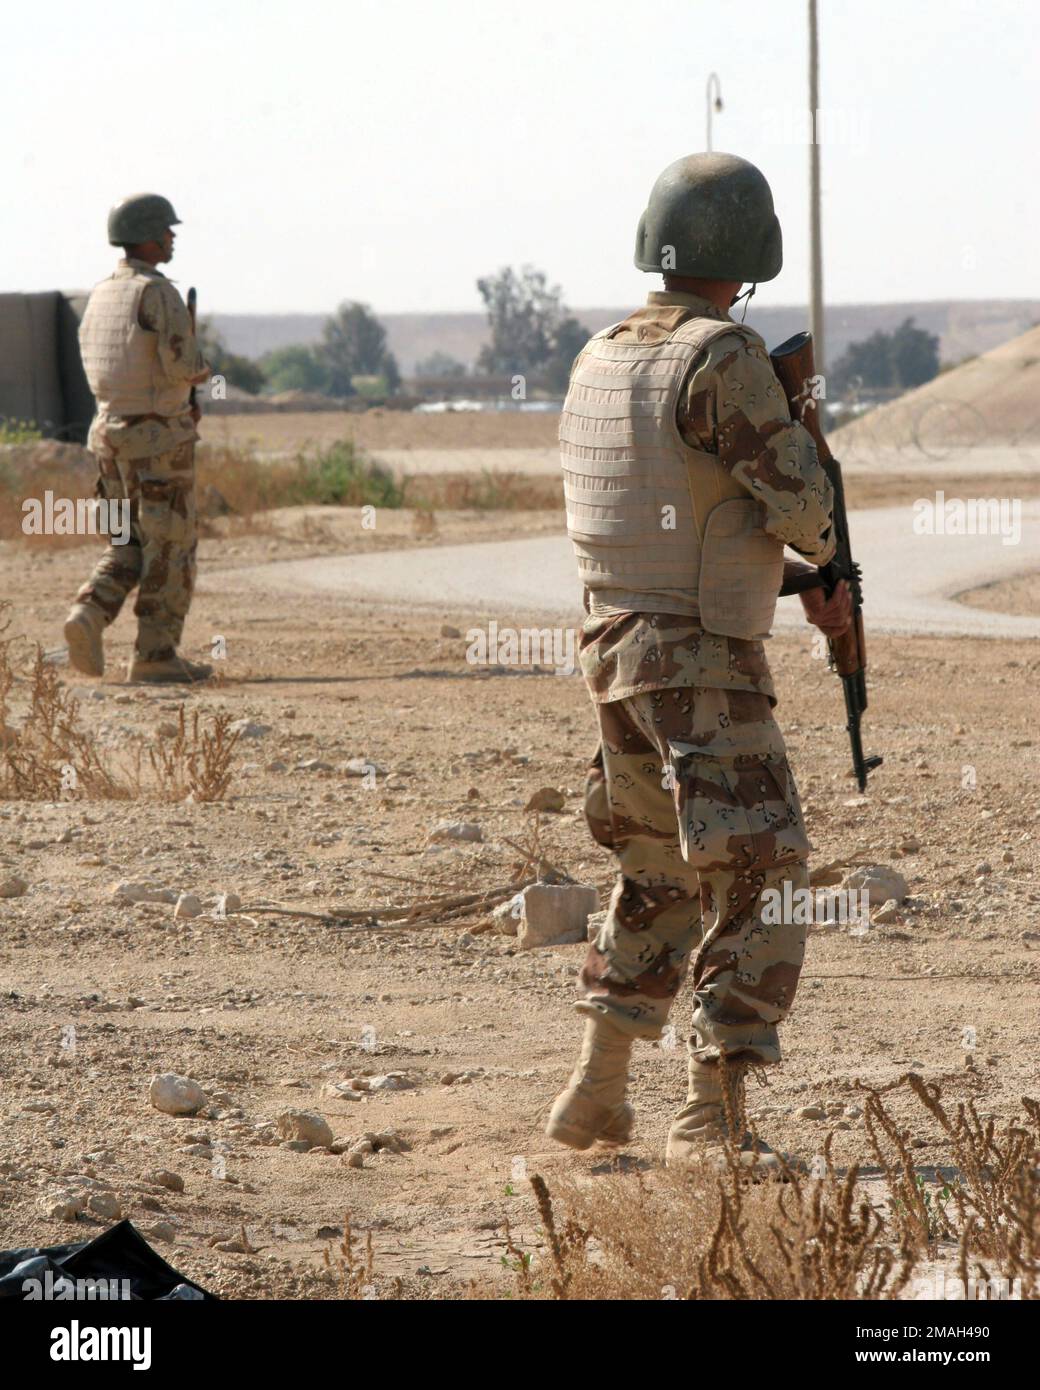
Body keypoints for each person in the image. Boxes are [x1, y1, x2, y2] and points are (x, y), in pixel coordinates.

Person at [547, 152, 853, 1174]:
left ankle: (595, 1086)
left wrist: (787, 583)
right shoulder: (723, 360)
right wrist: (804, 437)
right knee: (765, 871)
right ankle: (710, 1110)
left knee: (656, 872)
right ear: (749, 251)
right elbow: (805, 511)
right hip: (699, 673)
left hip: (612, 655)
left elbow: (671, 524)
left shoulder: (598, 357)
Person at [64, 192, 212, 684]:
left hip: (107, 439)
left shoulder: (101, 294)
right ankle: (155, 656)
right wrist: (201, 366)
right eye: (166, 231)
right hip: (157, 443)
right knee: (170, 546)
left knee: (126, 543)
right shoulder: (158, 293)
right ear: (148, 236)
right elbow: (183, 366)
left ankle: (88, 613)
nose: (172, 238)